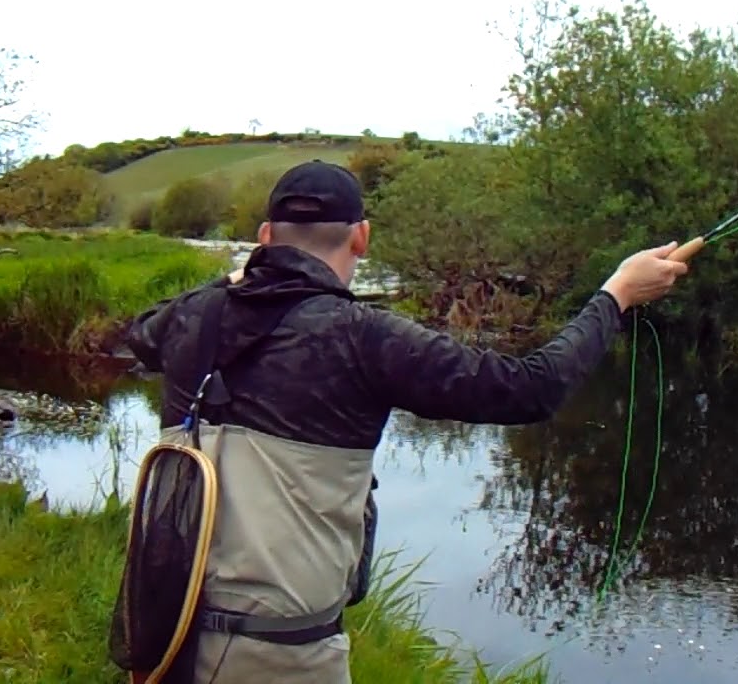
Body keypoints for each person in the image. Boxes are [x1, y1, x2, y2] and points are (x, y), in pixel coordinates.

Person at [120, 159, 688, 684]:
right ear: (361, 238)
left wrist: (231, 283)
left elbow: (141, 334)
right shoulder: (364, 336)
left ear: (265, 237)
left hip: (164, 638)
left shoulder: (193, 316)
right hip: (283, 655)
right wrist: (616, 296)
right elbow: (529, 390)